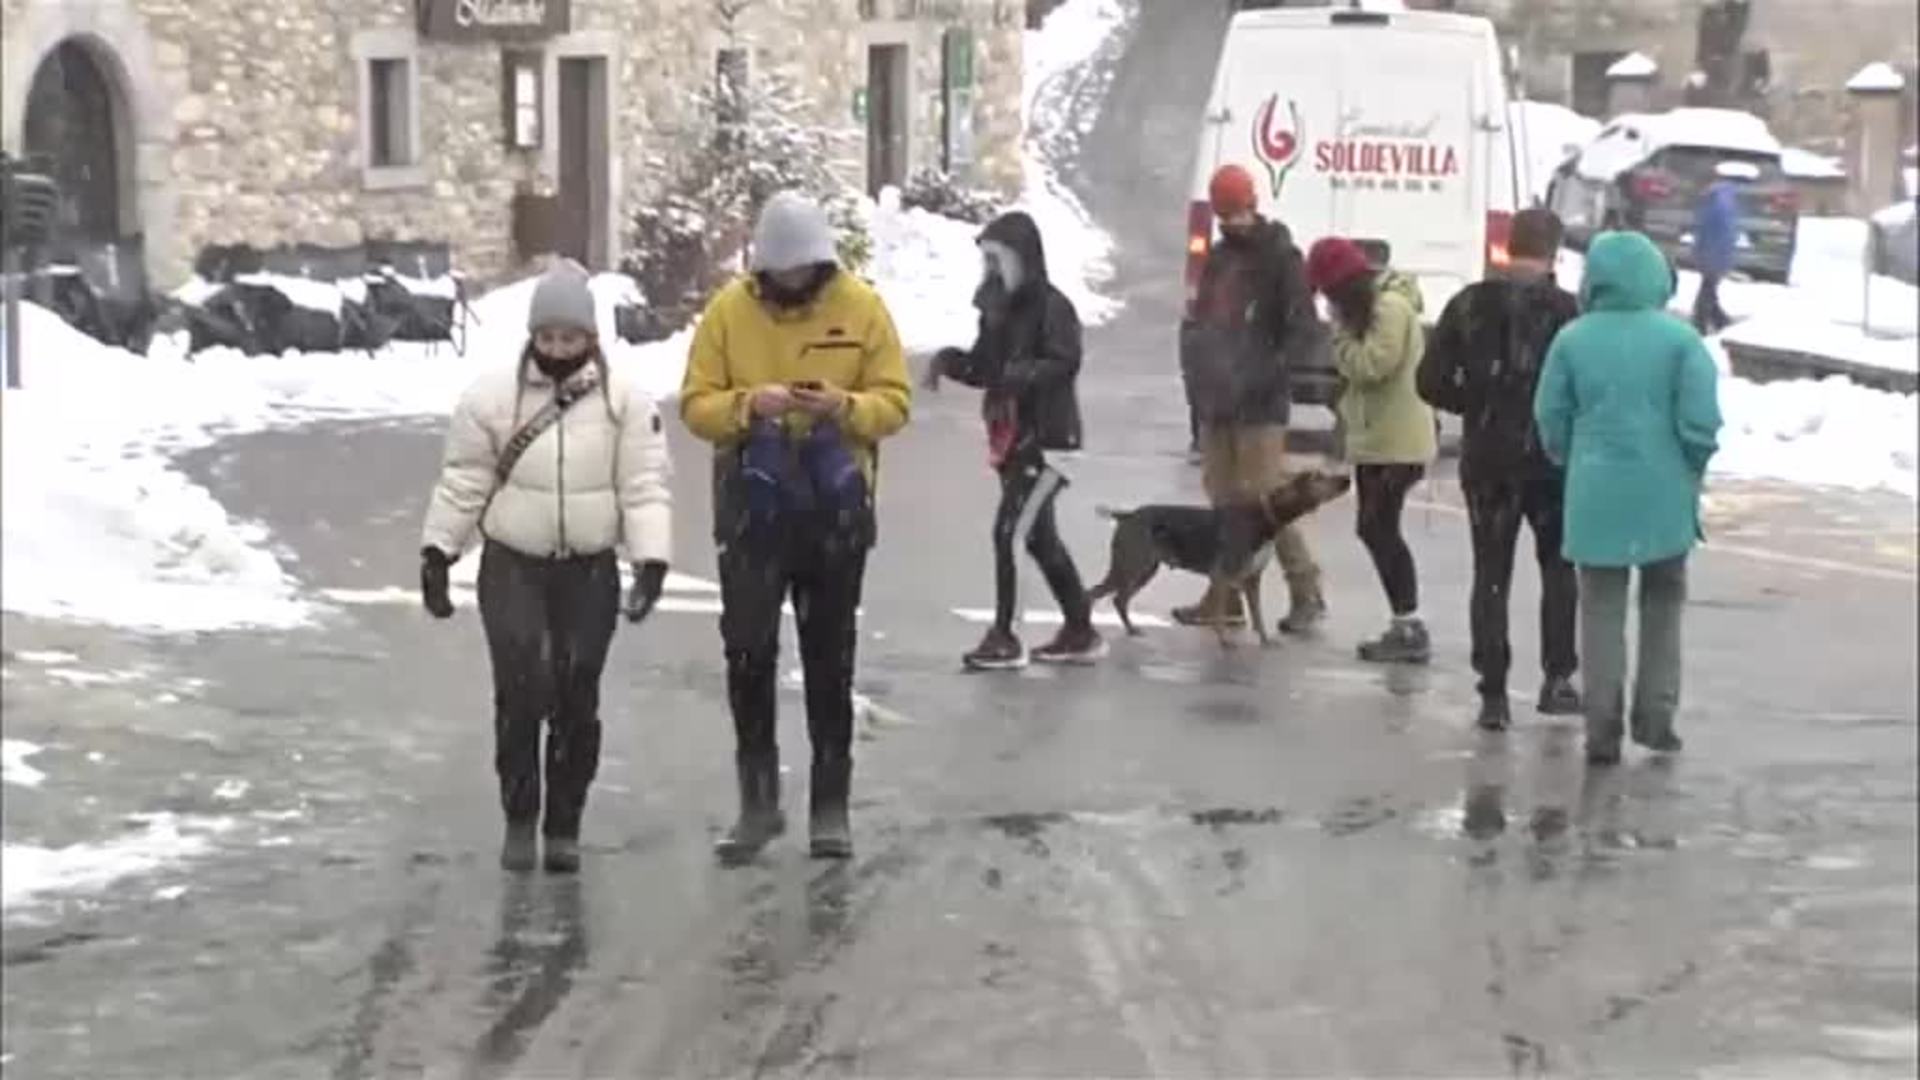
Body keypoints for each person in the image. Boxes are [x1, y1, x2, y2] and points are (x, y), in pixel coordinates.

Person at [420, 259, 673, 874]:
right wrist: (438, 550)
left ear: (591, 338)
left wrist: (650, 561)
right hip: (514, 564)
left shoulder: (625, 404)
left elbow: (643, 485)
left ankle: (564, 822)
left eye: (571, 338)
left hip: (587, 567)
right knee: (521, 689)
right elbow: (465, 479)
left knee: (574, 693)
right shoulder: (490, 398)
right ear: (532, 337)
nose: (558, 350)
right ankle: (519, 813)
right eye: (548, 338)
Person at [680, 191, 911, 862]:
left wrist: (845, 406)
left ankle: (830, 809)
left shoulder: (862, 310)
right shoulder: (728, 312)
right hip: (752, 513)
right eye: (776, 275)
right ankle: (757, 803)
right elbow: (696, 405)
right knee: (748, 655)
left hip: (834, 513)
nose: (788, 285)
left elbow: (895, 402)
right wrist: (751, 405)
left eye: (801, 272)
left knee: (829, 658)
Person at [1534, 230, 1722, 766]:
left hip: (1595, 488)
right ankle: (1657, 718)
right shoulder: (1681, 342)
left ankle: (1602, 726)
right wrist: (1690, 461)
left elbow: (1551, 416)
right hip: (1664, 490)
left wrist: (1573, 455)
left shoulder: (1572, 339)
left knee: (1600, 607)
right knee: (1663, 602)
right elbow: (1701, 420)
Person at [1417, 208, 1583, 731]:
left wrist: (1477, 403)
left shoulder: (1469, 304)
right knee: (1558, 567)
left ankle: (1493, 690)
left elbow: (1429, 380)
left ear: (1507, 247)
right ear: (1554, 250)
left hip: (1488, 456)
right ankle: (1558, 678)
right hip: (1551, 459)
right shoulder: (1568, 313)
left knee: (1491, 570)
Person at [928, 210, 1105, 670]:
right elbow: (987, 368)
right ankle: (1080, 630)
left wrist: (1019, 375)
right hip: (1012, 438)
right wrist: (952, 363)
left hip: (1049, 440)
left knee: (1009, 532)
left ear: (1023, 258)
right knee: (1039, 539)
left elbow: (1065, 362)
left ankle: (1007, 635)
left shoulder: (1053, 306)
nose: (991, 268)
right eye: (986, 259)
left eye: (998, 258)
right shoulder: (996, 307)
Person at [1173, 163, 1326, 634]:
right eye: (1224, 214)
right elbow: (1201, 321)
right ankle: (1226, 595)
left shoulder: (1281, 258)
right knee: (1222, 501)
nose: (1231, 221)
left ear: (1253, 205)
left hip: (1259, 400)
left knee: (1263, 502)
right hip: (1218, 398)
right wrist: (1198, 379)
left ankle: (1306, 591)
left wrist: (1271, 370)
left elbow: (1302, 327)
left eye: (1237, 211)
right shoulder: (1219, 258)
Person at [1305, 236, 1436, 663]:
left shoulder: (1390, 309)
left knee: (1378, 528)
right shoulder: (1377, 309)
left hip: (1397, 443)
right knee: (1376, 528)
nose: (1327, 304)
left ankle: (1409, 623)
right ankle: (1405, 621)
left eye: (1329, 293)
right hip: (1379, 439)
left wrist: (1340, 338)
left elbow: (1372, 366)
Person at [1691, 160, 1749, 335]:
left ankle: (1701, 323)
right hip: (1715, 252)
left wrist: (1707, 253)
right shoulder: (1718, 198)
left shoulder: (1717, 201)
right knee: (1709, 289)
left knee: (1707, 290)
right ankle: (1718, 320)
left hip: (1715, 253)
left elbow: (1715, 231)